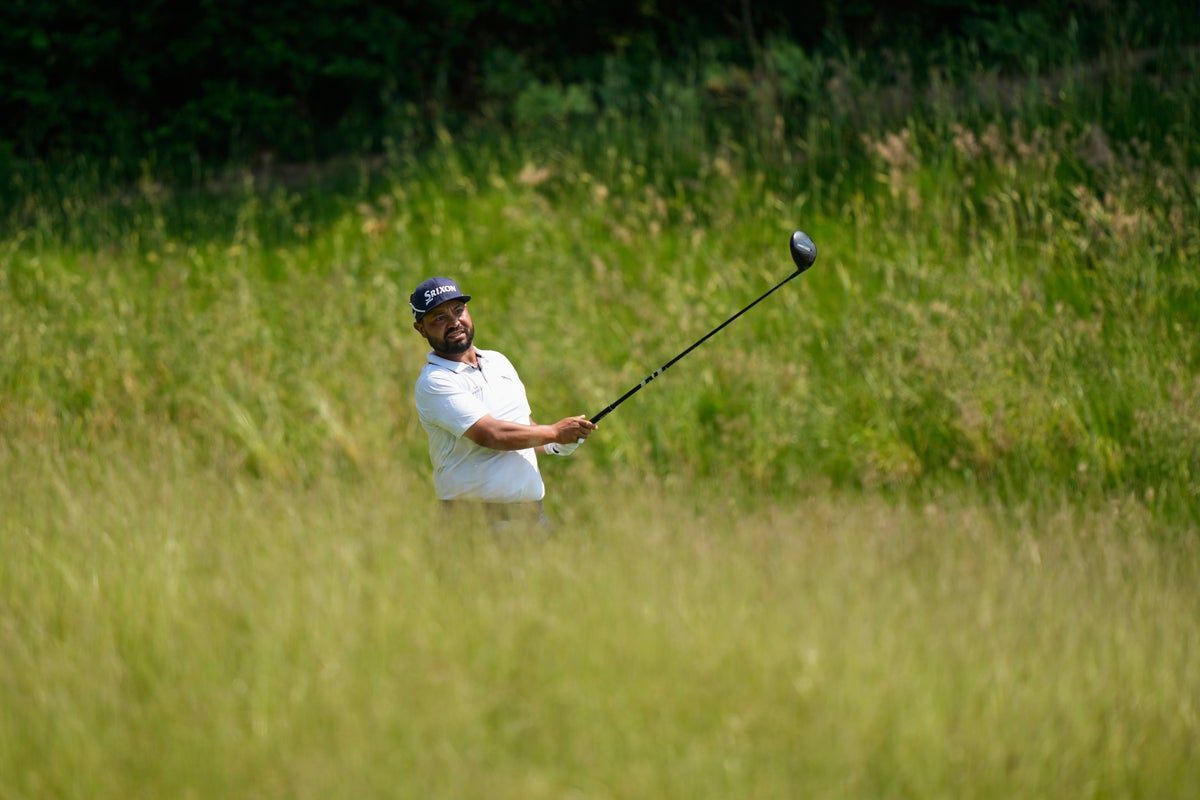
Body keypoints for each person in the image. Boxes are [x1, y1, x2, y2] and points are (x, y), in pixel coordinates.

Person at [410, 276, 596, 526]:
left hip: (533, 518)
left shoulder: (497, 361)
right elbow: (491, 434)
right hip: (476, 524)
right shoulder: (434, 381)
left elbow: (521, 425)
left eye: (458, 310)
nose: (455, 322)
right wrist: (553, 432)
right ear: (421, 328)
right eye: (440, 318)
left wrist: (555, 444)